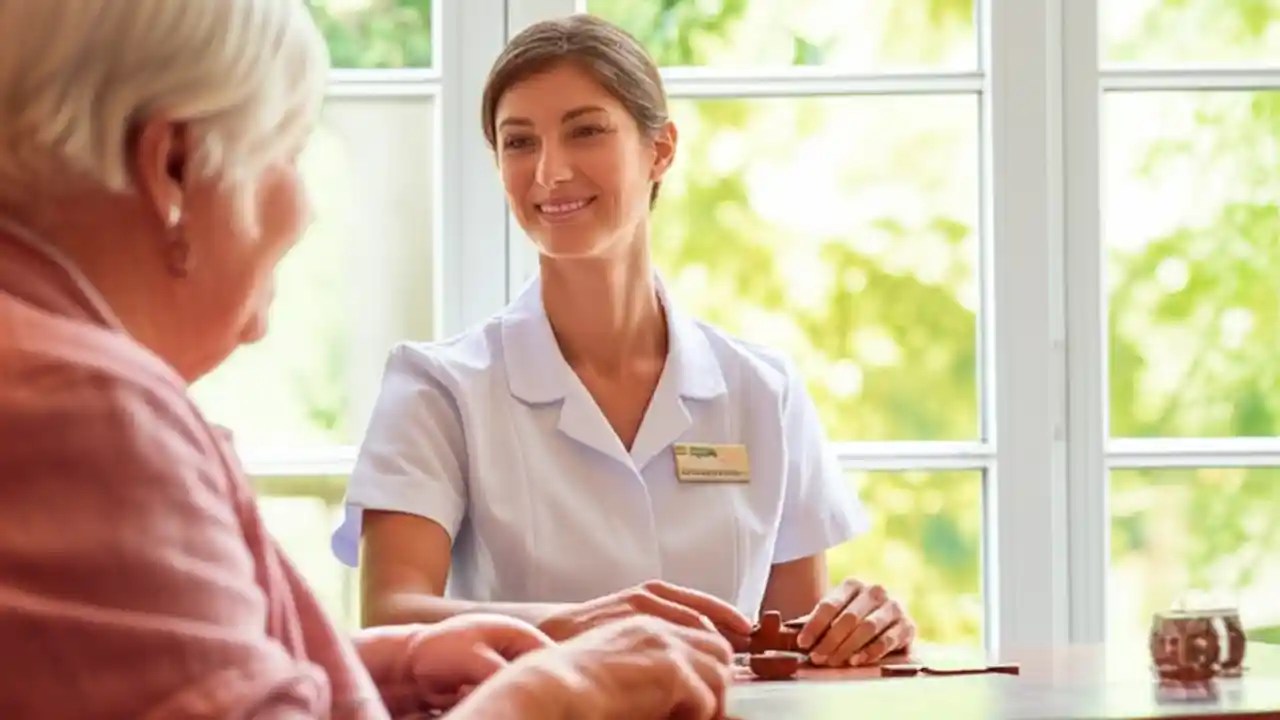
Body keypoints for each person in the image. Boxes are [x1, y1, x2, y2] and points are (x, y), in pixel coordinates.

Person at [0, 2, 734, 718]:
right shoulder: (81, 414)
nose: (305, 208)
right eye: (285, 155)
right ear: (174, 169)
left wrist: (382, 666)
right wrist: (555, 695)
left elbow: (139, 678)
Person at [334, 13, 918, 669]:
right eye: (519, 142)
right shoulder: (437, 389)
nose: (550, 171)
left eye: (585, 131)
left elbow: (792, 651)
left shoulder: (763, 390)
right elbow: (392, 615)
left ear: (660, 149)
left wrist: (860, 631)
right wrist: (586, 626)